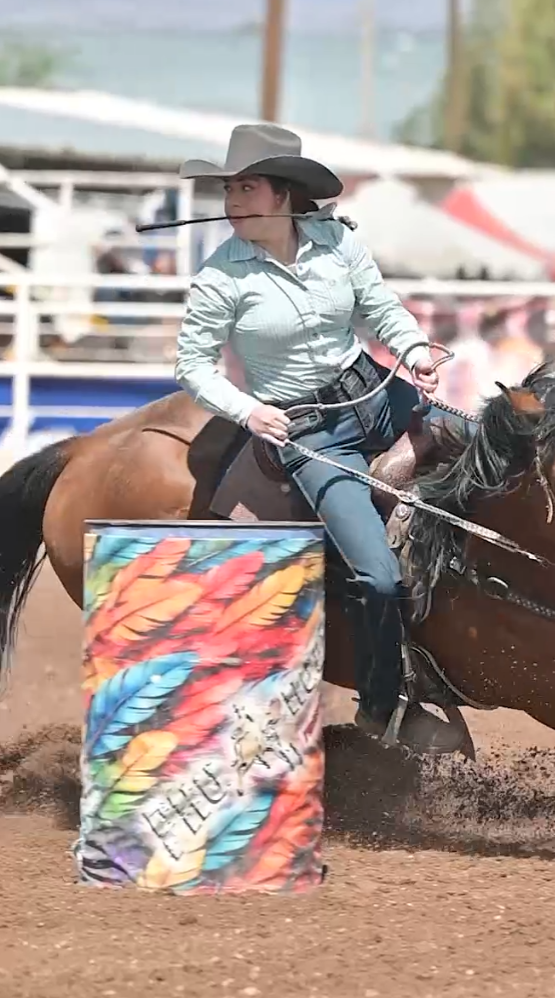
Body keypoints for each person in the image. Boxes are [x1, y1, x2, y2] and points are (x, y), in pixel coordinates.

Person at [173, 123, 469, 754]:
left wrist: (414, 349)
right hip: (308, 433)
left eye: (246, 187)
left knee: (486, 443)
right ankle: (382, 707)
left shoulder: (338, 242)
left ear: (283, 194)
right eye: (228, 189)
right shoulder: (219, 277)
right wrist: (250, 411)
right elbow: (192, 367)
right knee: (379, 576)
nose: (232, 200)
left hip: (376, 394)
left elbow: (380, 309)